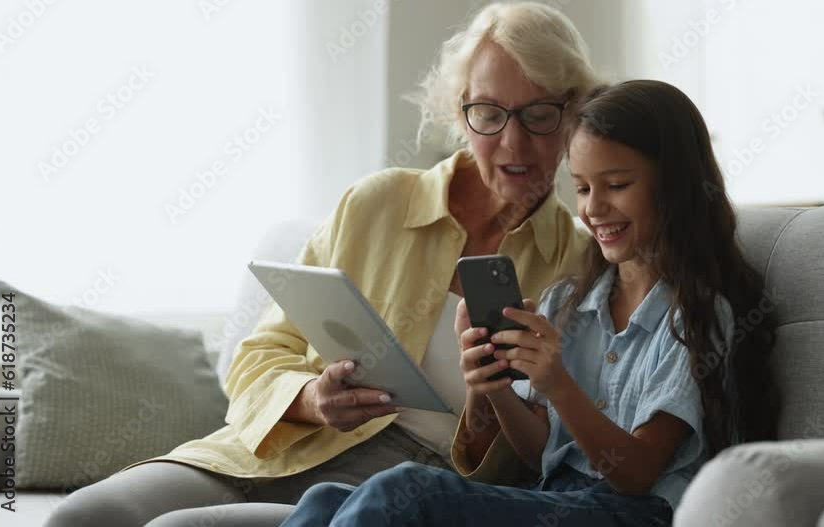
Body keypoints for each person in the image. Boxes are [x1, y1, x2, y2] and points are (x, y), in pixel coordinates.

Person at [44, 3, 601, 526]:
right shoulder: (376, 205)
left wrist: (488, 405)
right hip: (275, 445)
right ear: (461, 113)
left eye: (540, 113)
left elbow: (547, 458)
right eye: (489, 113)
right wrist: (311, 399)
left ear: (574, 114)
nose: (514, 142)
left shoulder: (579, 263)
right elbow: (259, 355)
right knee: (83, 518)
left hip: (404, 482)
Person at [280, 80, 781, 526]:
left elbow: (636, 473)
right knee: (325, 498)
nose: (594, 208)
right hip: (555, 498)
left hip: (636, 511)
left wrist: (557, 383)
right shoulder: (571, 300)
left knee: (402, 490)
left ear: (675, 186)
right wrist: (494, 386)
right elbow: (538, 451)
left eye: (617, 185)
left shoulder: (695, 317)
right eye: (582, 188)